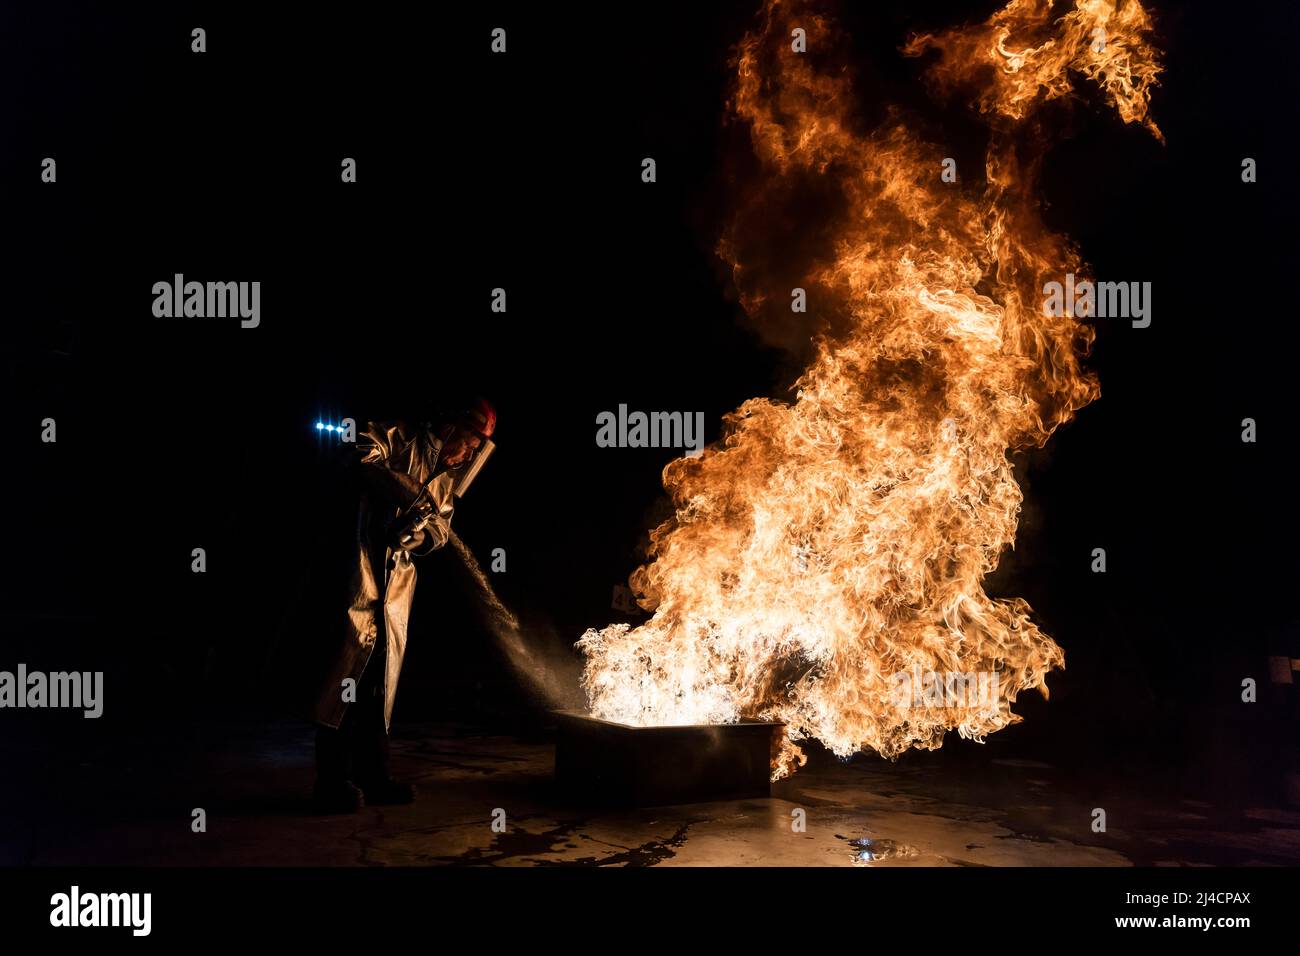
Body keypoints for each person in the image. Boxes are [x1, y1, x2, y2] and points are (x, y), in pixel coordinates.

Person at [310, 398, 497, 813]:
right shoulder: (397, 438)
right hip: (357, 568)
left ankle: (374, 776)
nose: (468, 454)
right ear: (450, 428)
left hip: (395, 585)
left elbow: (440, 530)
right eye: (469, 442)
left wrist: (418, 534)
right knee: (345, 677)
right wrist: (404, 488)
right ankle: (331, 781)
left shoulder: (448, 478)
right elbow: (355, 455)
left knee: (380, 681)